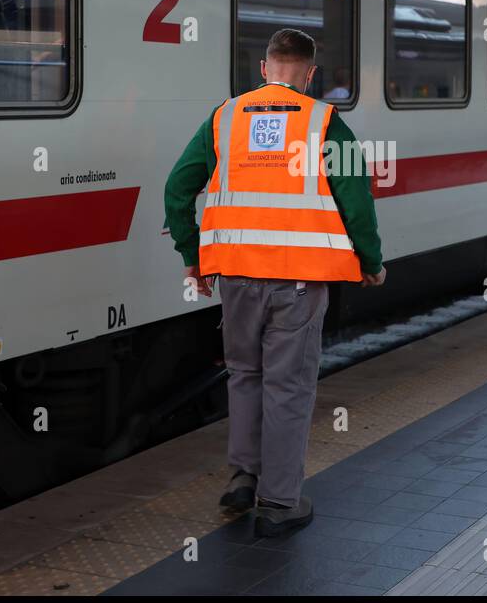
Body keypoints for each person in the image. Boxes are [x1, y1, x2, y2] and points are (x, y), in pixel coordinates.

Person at [163, 28, 385, 537]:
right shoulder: (325, 122)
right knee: (288, 386)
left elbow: (177, 187)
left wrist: (191, 255)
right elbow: (356, 199)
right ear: (309, 75)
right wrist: (371, 261)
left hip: (236, 277)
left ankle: (243, 478)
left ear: (264, 69)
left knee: (245, 375)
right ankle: (280, 501)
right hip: (299, 282)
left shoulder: (224, 118)